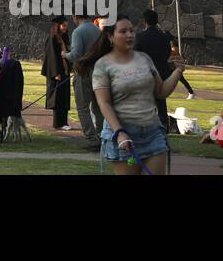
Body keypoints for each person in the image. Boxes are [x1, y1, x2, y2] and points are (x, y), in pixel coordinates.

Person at [84, 15, 188, 175]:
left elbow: (160, 92)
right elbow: (104, 103)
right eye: (123, 31)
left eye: (132, 31)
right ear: (110, 37)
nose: (129, 35)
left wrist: (178, 72)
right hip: (123, 135)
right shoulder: (103, 66)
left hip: (152, 133)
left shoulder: (144, 59)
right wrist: (119, 133)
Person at [67, 13, 103, 151]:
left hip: (83, 72)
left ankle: (92, 139)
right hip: (98, 71)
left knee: (82, 107)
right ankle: (101, 135)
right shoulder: (97, 30)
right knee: (97, 106)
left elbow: (76, 54)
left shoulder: (78, 31)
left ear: (75, 16)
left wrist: (65, 55)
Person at [135, 9, 175, 129]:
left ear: (144, 21)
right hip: (162, 72)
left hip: (145, 73)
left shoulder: (140, 36)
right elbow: (168, 53)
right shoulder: (163, 37)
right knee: (161, 101)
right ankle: (164, 126)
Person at [41, 16, 72, 131]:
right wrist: (56, 73)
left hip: (65, 72)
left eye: (66, 26)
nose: (65, 28)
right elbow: (51, 57)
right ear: (58, 26)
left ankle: (64, 122)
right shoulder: (52, 38)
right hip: (57, 73)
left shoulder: (63, 37)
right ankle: (57, 123)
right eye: (63, 25)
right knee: (57, 99)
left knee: (64, 98)